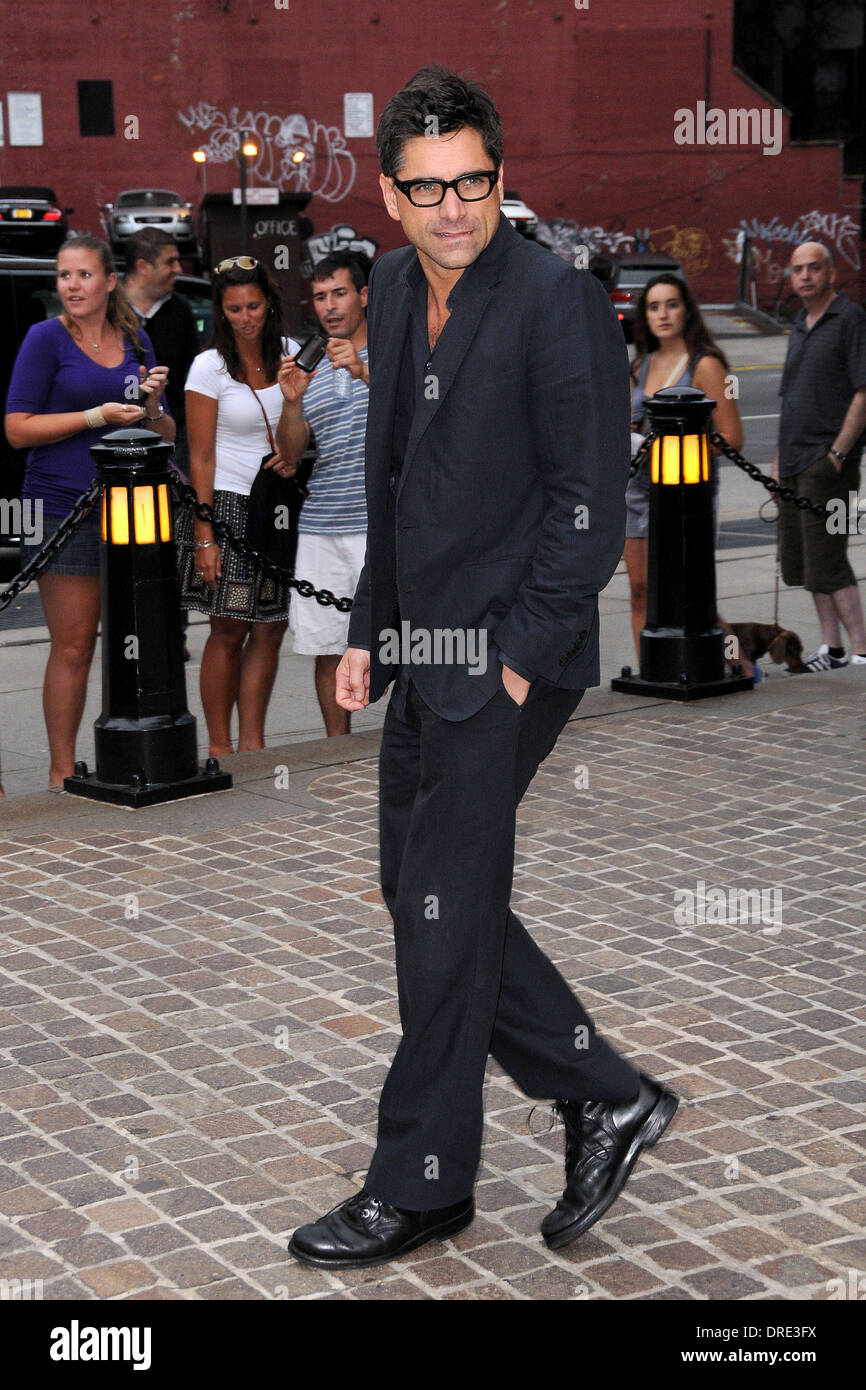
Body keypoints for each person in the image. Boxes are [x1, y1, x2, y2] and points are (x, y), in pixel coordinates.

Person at [288, 65, 678, 1272]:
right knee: (423, 895)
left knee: (441, 908)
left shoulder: (556, 301)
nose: (452, 207)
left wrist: (510, 665)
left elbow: (584, 506)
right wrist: (366, 629)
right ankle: (601, 1091)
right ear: (393, 200)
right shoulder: (396, 291)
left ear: (499, 178)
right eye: (426, 188)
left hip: (511, 653)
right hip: (420, 647)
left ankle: (416, 1183)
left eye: (471, 182)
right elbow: (400, 479)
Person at [4, 234, 174, 789]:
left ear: (108, 281)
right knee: (74, 644)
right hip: (60, 508)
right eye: (63, 276)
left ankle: (129, 752)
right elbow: (17, 429)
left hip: (130, 508)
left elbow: (164, 431)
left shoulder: (136, 341)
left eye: (82, 275)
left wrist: (149, 405)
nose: (71, 286)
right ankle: (60, 773)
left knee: (133, 637)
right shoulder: (44, 338)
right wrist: (95, 416)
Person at [175, 257, 300, 756]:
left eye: (253, 305)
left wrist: (292, 408)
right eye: (234, 309)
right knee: (228, 628)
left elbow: (294, 446)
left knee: (269, 628)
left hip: (275, 506)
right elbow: (199, 457)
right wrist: (204, 536)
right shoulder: (208, 367)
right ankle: (220, 746)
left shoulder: (290, 354)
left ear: (268, 303)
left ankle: (254, 743)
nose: (245, 317)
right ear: (221, 312)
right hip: (224, 503)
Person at [625, 274, 744, 659]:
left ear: (687, 310)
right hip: (639, 486)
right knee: (641, 587)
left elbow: (732, 438)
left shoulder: (705, 364)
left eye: (672, 304)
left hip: (687, 486)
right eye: (653, 306)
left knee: (690, 589)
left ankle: (738, 663)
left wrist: (676, 447)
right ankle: (651, 667)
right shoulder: (641, 364)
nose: (663, 314)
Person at [276, 250, 370, 736]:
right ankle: (338, 748)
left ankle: (414, 742)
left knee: (404, 640)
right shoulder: (307, 367)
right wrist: (292, 402)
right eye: (319, 297)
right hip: (321, 525)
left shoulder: (401, 350)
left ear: (364, 296)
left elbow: (422, 413)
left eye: (339, 293)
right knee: (327, 647)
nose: (330, 306)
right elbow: (290, 454)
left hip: (382, 523)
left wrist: (362, 370)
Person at [774, 241, 866, 671]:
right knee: (805, 562)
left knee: (828, 559)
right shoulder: (798, 324)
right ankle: (830, 648)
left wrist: (838, 453)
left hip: (826, 463)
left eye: (814, 268)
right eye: (798, 269)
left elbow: (864, 391)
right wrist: (776, 461)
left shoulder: (849, 319)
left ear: (831, 274)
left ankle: (862, 649)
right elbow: (788, 397)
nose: (805, 276)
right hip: (792, 461)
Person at [123, 227, 200, 474]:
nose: (178, 268)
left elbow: (192, 378)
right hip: (115, 435)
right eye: (170, 261)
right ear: (144, 267)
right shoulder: (106, 310)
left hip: (173, 437)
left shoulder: (181, 310)